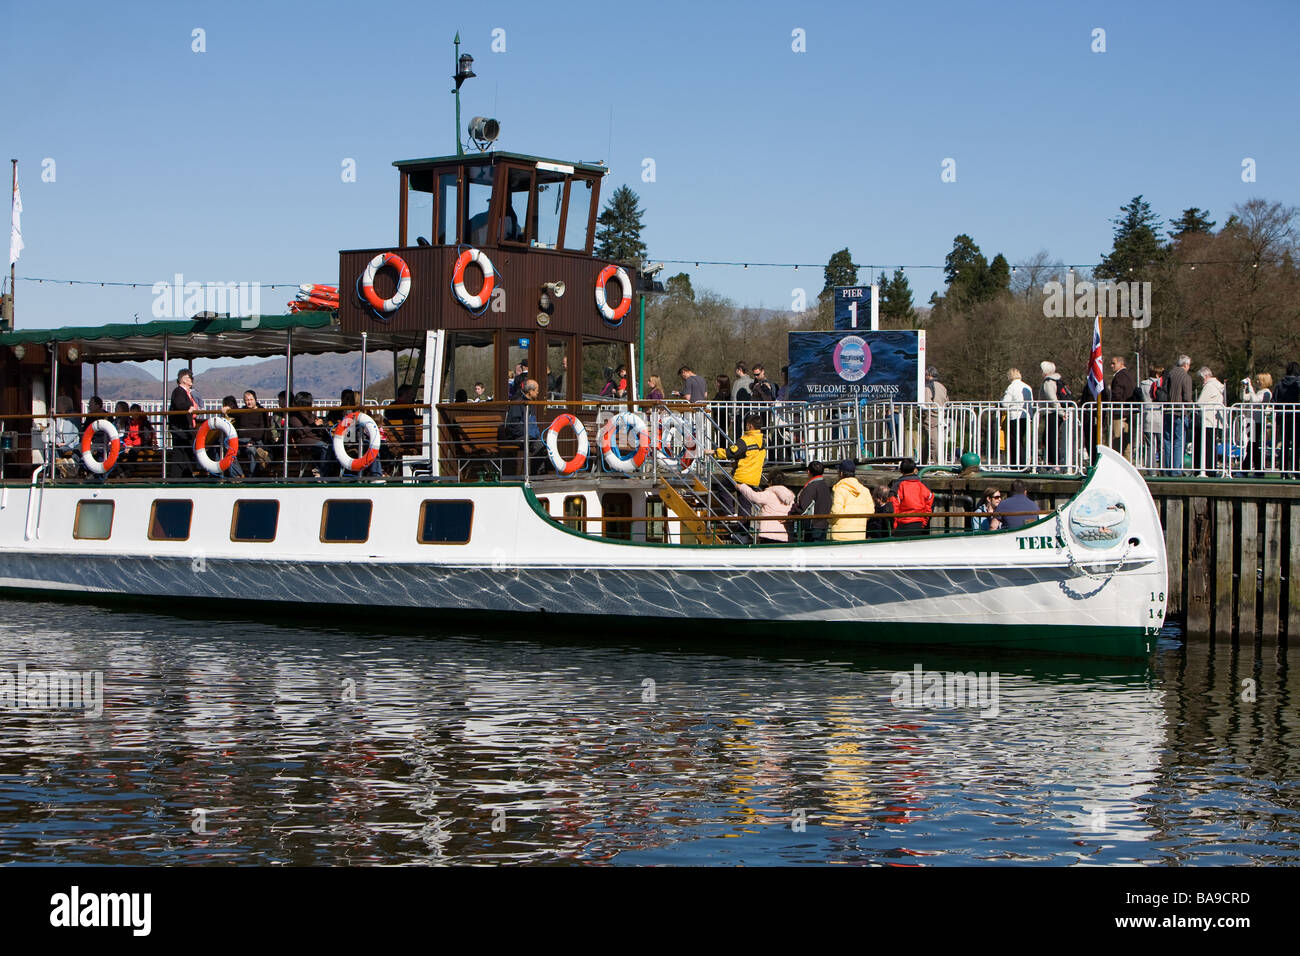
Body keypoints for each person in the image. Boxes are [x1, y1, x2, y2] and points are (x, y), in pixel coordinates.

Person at [504, 378, 547, 474]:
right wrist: (528, 433)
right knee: (538, 444)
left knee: (543, 444)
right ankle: (535, 473)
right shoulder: (518, 402)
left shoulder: (529, 403)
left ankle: (539, 471)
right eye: (537, 390)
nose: (538, 392)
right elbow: (513, 425)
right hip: (516, 437)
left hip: (528, 435)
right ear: (530, 392)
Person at [713, 415, 765, 489]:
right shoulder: (763, 441)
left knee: (723, 488)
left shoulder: (745, 441)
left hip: (741, 478)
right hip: (755, 479)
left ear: (750, 426)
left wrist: (714, 452)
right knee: (745, 498)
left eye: (746, 424)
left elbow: (732, 452)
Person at [168, 369, 202, 479]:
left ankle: (186, 475)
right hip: (180, 428)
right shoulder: (178, 391)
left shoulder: (186, 393)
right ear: (182, 379)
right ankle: (177, 477)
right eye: (189, 377)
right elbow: (179, 405)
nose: (192, 379)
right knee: (180, 452)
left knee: (186, 452)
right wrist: (189, 408)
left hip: (185, 428)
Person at [289, 391, 332, 477]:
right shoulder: (294, 417)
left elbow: (315, 429)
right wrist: (314, 425)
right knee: (325, 447)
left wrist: (321, 424)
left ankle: (326, 472)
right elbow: (300, 432)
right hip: (304, 442)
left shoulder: (311, 415)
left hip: (315, 440)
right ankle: (322, 473)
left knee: (332, 446)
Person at [1164, 354, 1194, 476]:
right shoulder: (1186, 377)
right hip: (1179, 412)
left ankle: (1167, 468)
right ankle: (1176, 469)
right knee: (1178, 441)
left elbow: (1165, 391)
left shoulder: (1170, 374)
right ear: (1186, 365)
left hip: (1167, 411)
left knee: (1167, 441)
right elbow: (1187, 397)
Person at [888, 457, 934, 537]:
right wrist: (924, 523)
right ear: (914, 470)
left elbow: (893, 508)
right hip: (919, 525)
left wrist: (895, 527)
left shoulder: (897, 486)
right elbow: (929, 506)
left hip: (902, 525)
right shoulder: (923, 486)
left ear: (901, 471)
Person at [1195, 366, 1226, 475]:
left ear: (1205, 376)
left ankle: (1206, 470)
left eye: (1201, 379)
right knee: (1211, 446)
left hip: (1207, 420)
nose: (1200, 382)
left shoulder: (1209, 386)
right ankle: (1211, 469)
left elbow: (1200, 402)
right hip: (1214, 421)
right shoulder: (1219, 386)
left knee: (1206, 447)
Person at [829, 460, 872, 540]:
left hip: (840, 535)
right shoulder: (864, 490)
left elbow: (835, 512)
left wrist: (830, 521)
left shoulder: (840, 489)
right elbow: (870, 511)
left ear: (841, 473)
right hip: (859, 534)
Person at [1000, 368, 1034, 468]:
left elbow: (1005, 404)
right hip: (1027, 416)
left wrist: (1000, 401)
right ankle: (1023, 463)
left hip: (1015, 416)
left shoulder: (1011, 387)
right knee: (1021, 440)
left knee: (1014, 441)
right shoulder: (1027, 387)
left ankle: (1017, 464)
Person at [235, 390, 271, 477]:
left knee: (252, 450)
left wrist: (252, 441)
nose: (249, 402)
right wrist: (227, 409)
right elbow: (232, 412)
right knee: (230, 451)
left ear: (255, 400)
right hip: (241, 442)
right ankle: (238, 474)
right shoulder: (242, 411)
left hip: (255, 442)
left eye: (251, 399)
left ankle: (252, 475)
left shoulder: (261, 412)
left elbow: (261, 432)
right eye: (246, 400)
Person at [793, 460, 832, 542]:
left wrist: (793, 509)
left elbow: (803, 507)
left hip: (813, 525)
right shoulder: (824, 485)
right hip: (824, 523)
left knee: (811, 550)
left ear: (808, 472)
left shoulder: (811, 487)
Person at [1106, 355, 1137, 457]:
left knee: (1117, 442)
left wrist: (1112, 404)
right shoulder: (1130, 375)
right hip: (1128, 413)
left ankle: (1118, 467)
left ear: (1121, 363)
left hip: (1120, 413)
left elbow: (1117, 395)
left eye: (1114, 363)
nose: (1111, 365)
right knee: (1126, 443)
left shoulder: (1119, 376)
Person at [1243, 372, 1273, 474]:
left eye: (1259, 380)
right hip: (1250, 420)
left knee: (1252, 445)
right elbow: (1246, 398)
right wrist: (1245, 388)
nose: (1257, 382)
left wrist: (1250, 387)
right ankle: (1258, 469)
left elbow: (1255, 401)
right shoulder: (1258, 391)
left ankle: (1245, 469)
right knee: (1252, 445)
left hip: (1257, 422)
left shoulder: (1266, 393)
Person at [1039, 361, 1066, 472]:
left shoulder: (1048, 382)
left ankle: (1055, 463)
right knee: (1047, 437)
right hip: (1054, 413)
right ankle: (1051, 462)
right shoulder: (1057, 380)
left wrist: (1061, 413)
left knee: (1050, 438)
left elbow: (1052, 399)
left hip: (1052, 413)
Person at [1277, 361, 1300, 477]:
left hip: (1283, 417)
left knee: (1284, 445)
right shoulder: (1298, 383)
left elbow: (1274, 400)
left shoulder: (1280, 383)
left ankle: (1283, 471)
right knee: (1296, 445)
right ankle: (1296, 470)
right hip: (1297, 418)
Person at [51, 395, 82, 478]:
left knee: (59, 448)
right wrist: (57, 442)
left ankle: (63, 468)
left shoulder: (74, 417)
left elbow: (75, 432)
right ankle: (58, 469)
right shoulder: (57, 418)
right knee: (51, 448)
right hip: (59, 443)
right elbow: (53, 431)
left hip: (70, 444)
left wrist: (65, 443)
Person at [923, 366, 948, 465]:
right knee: (929, 441)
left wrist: (922, 415)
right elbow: (947, 401)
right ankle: (922, 462)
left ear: (929, 375)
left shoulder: (928, 387)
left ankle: (938, 464)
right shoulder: (942, 387)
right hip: (941, 415)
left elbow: (926, 402)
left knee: (933, 441)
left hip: (931, 416)